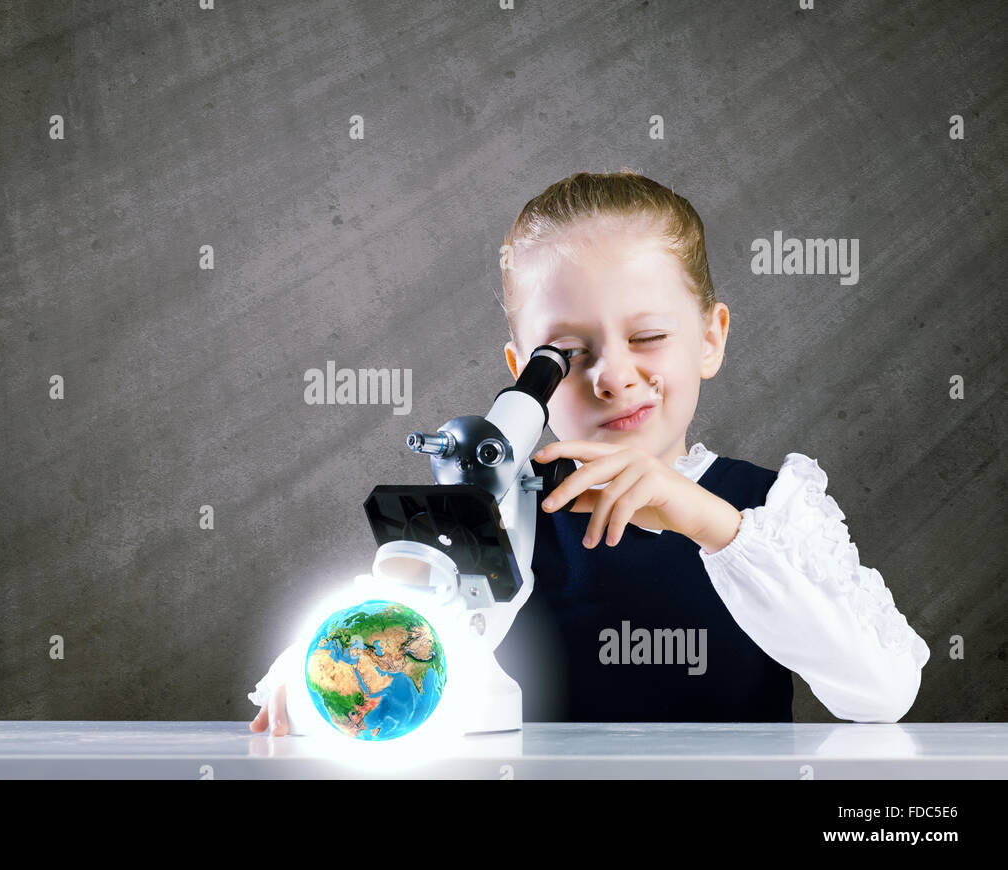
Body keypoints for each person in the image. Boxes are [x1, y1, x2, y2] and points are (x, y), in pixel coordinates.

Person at [249, 169, 930, 735]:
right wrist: (317, 675)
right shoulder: (507, 518)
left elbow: (883, 692)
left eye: (648, 336)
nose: (612, 375)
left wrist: (709, 522)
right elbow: (390, 645)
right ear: (525, 375)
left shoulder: (769, 511)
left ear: (711, 337)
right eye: (567, 355)